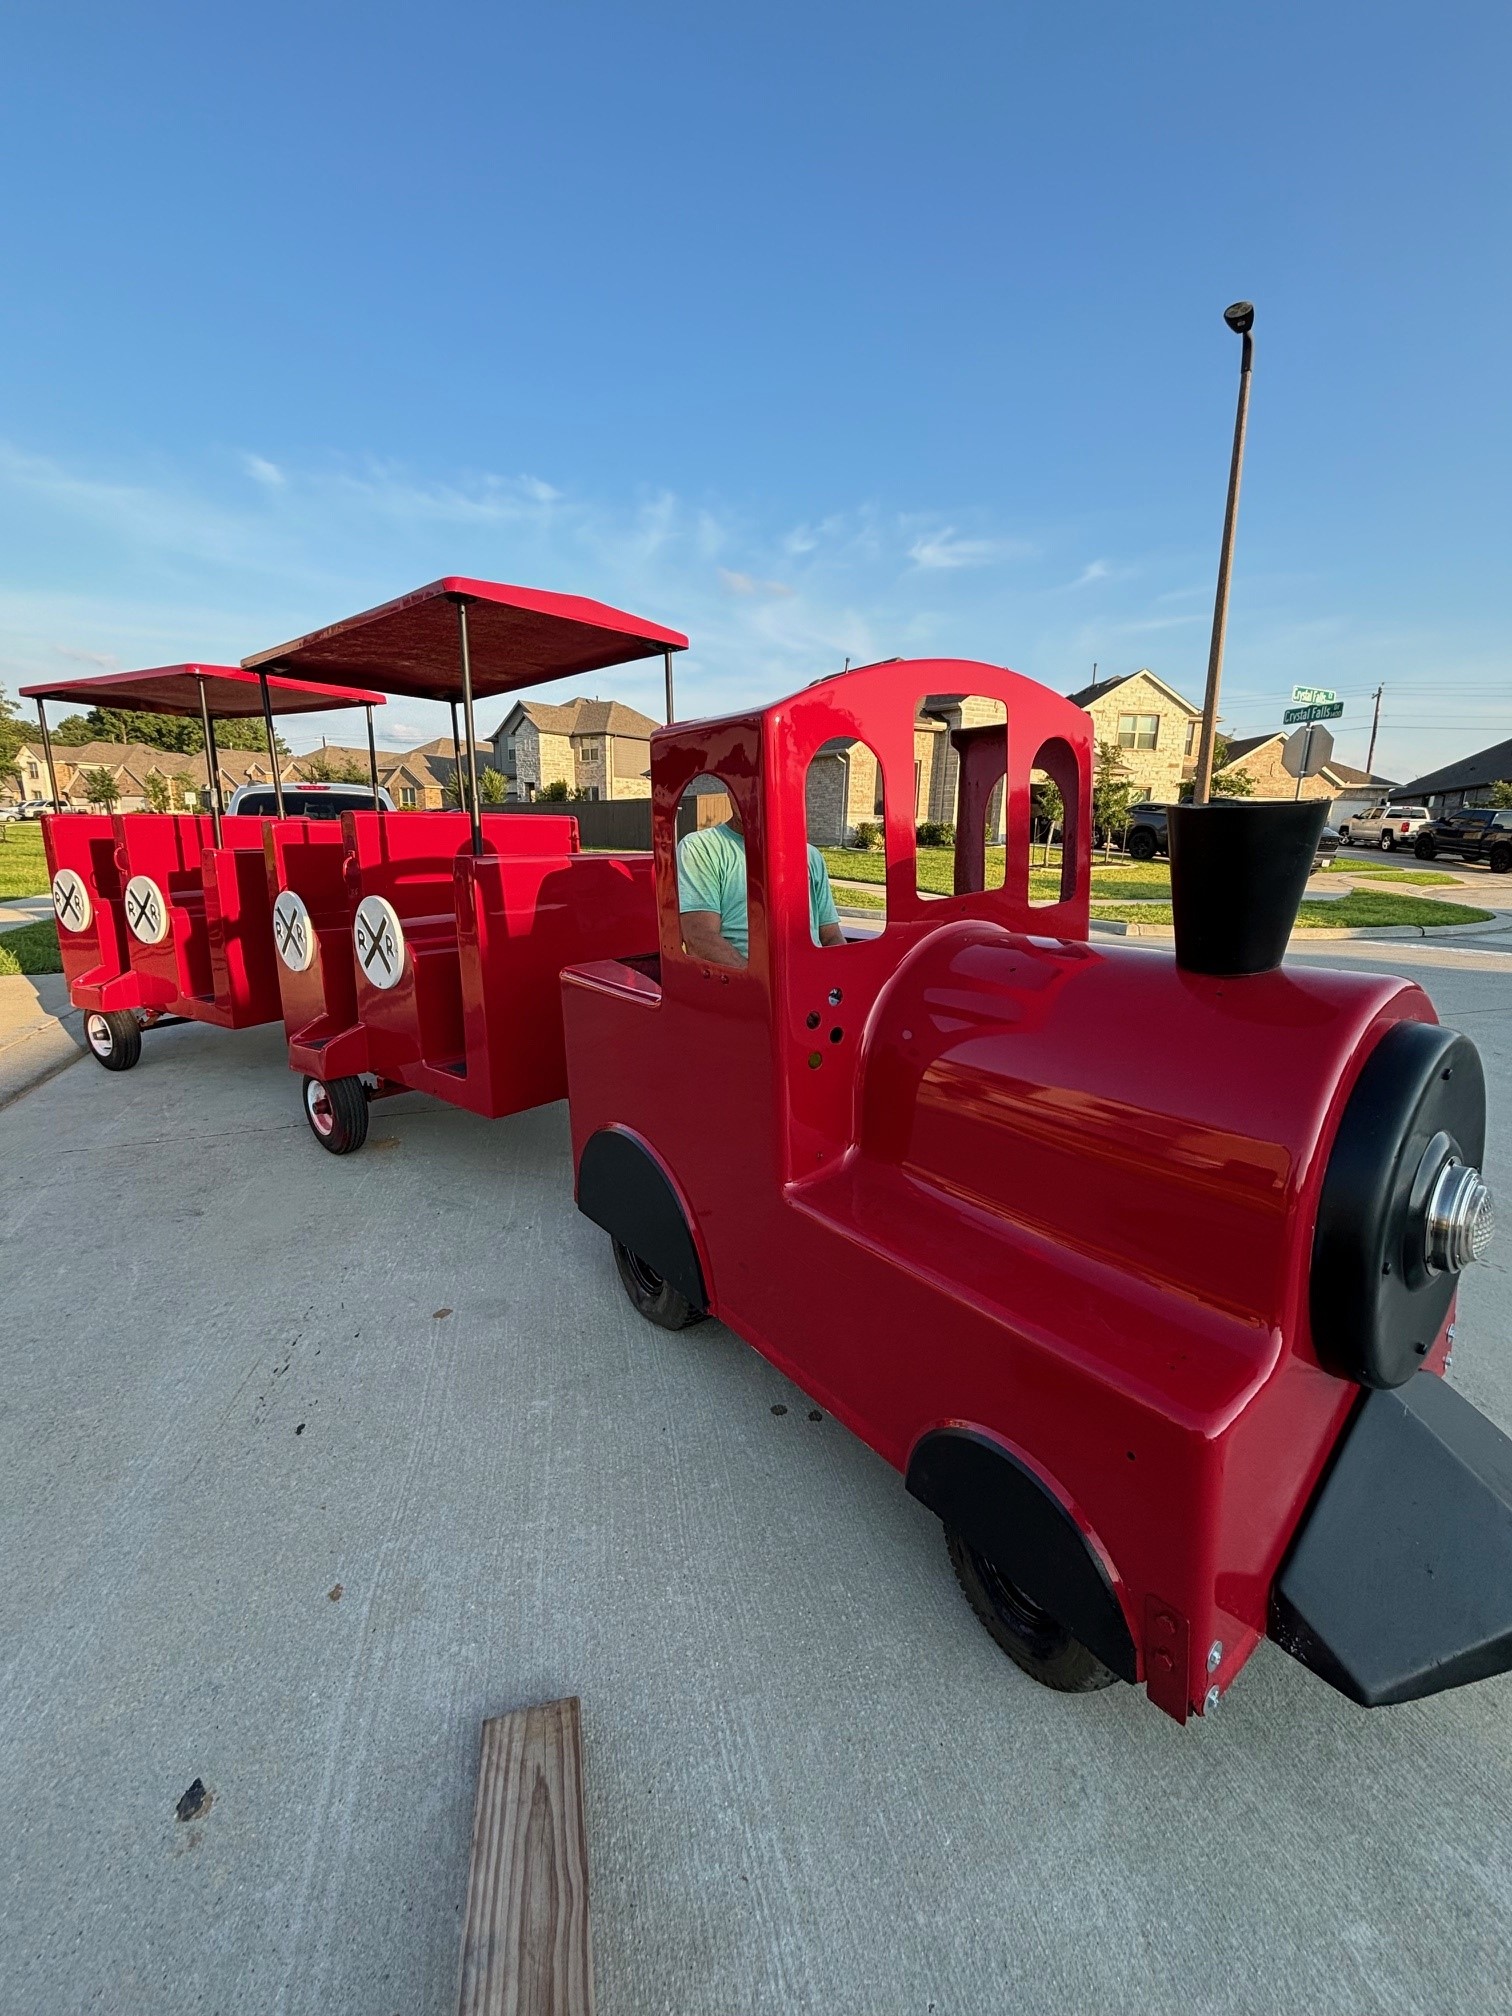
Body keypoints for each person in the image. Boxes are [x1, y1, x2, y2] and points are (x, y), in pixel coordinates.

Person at [677, 804, 843, 967]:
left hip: (808, 976)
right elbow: (699, 937)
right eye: (745, 789)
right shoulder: (701, 847)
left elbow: (831, 935)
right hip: (736, 981)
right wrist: (759, 980)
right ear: (729, 791)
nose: (753, 798)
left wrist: (844, 974)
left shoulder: (809, 855)